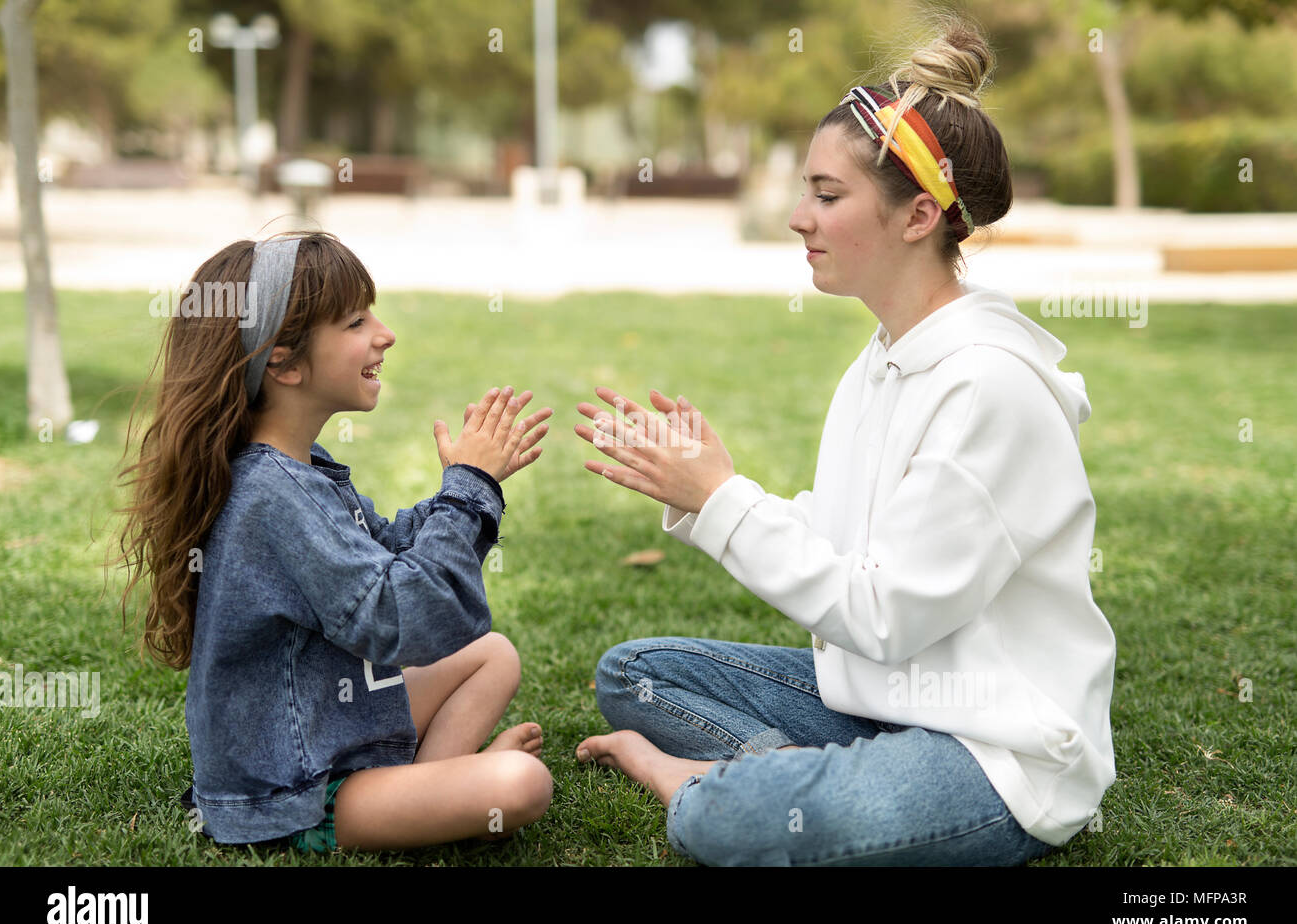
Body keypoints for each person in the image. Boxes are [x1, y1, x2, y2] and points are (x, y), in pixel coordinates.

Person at [572, 19, 1116, 866]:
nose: (798, 218)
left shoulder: (989, 386)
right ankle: (795, 770)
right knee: (635, 673)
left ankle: (723, 784)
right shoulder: (883, 356)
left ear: (920, 215)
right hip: (889, 701)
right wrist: (704, 486)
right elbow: (849, 546)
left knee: (724, 822)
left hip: (1000, 757)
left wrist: (723, 500)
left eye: (827, 196)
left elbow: (881, 614)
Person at [112, 231, 554, 852]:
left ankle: (425, 793)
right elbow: (400, 617)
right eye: (354, 321)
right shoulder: (272, 494)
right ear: (285, 362)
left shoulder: (297, 469)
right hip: (294, 787)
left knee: (492, 654)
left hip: (337, 722)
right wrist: (467, 489)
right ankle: (435, 795)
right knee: (522, 783)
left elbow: (390, 553)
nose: (384, 333)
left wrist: (471, 487)